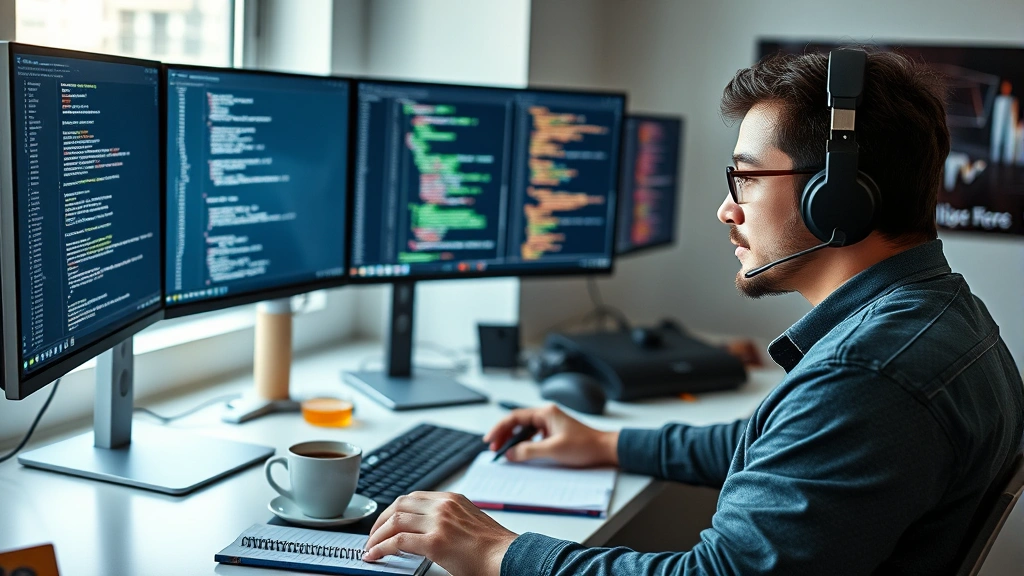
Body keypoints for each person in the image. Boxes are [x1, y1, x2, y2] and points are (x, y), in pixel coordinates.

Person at [361, 48, 1024, 575]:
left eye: (746, 178)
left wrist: (496, 551)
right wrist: (606, 443)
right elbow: (783, 447)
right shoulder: (942, 315)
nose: (726, 208)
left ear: (838, 199)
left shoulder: (869, 376)